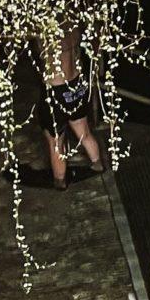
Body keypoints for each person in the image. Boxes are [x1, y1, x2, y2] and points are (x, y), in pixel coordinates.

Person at [39, 23, 103, 187]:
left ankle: (60, 181)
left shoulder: (46, 28)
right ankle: (97, 164)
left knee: (56, 143)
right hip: (77, 84)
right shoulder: (73, 25)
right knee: (84, 132)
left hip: (57, 89)